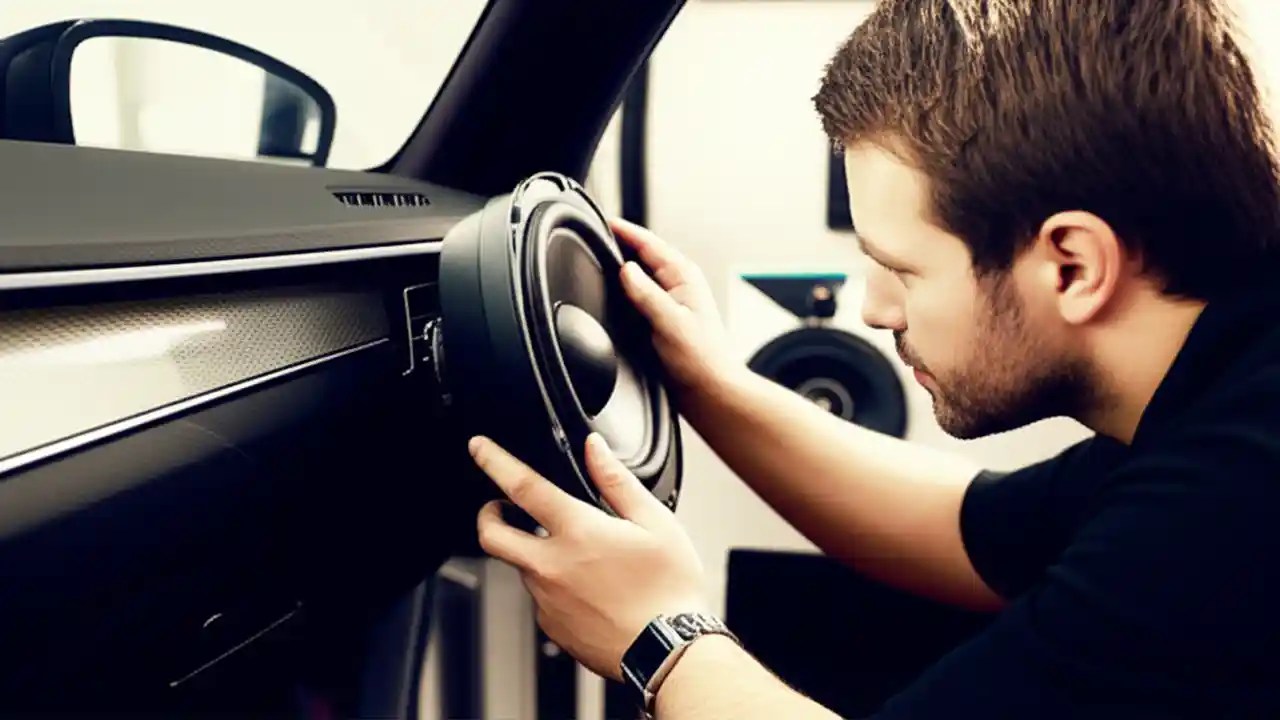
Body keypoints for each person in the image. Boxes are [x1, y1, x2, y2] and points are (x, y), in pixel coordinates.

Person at [467, 0, 1280, 717]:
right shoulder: (1222, 391)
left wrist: (661, 640)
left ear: (1072, 265)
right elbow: (970, 531)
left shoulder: (1232, 509)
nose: (874, 307)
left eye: (901, 268)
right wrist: (707, 381)